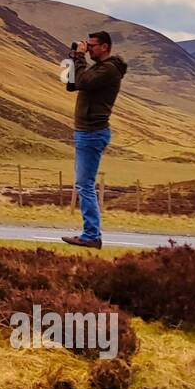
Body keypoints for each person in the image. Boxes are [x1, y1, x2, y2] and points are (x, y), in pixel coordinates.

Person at [62, 31, 127, 249]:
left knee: (85, 185)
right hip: (86, 132)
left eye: (92, 45)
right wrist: (73, 58)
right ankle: (91, 233)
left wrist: (79, 58)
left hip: (92, 133)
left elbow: (83, 81)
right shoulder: (99, 68)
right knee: (84, 185)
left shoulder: (109, 70)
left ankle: (91, 235)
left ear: (105, 47)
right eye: (86, 45)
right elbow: (72, 84)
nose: (88, 48)